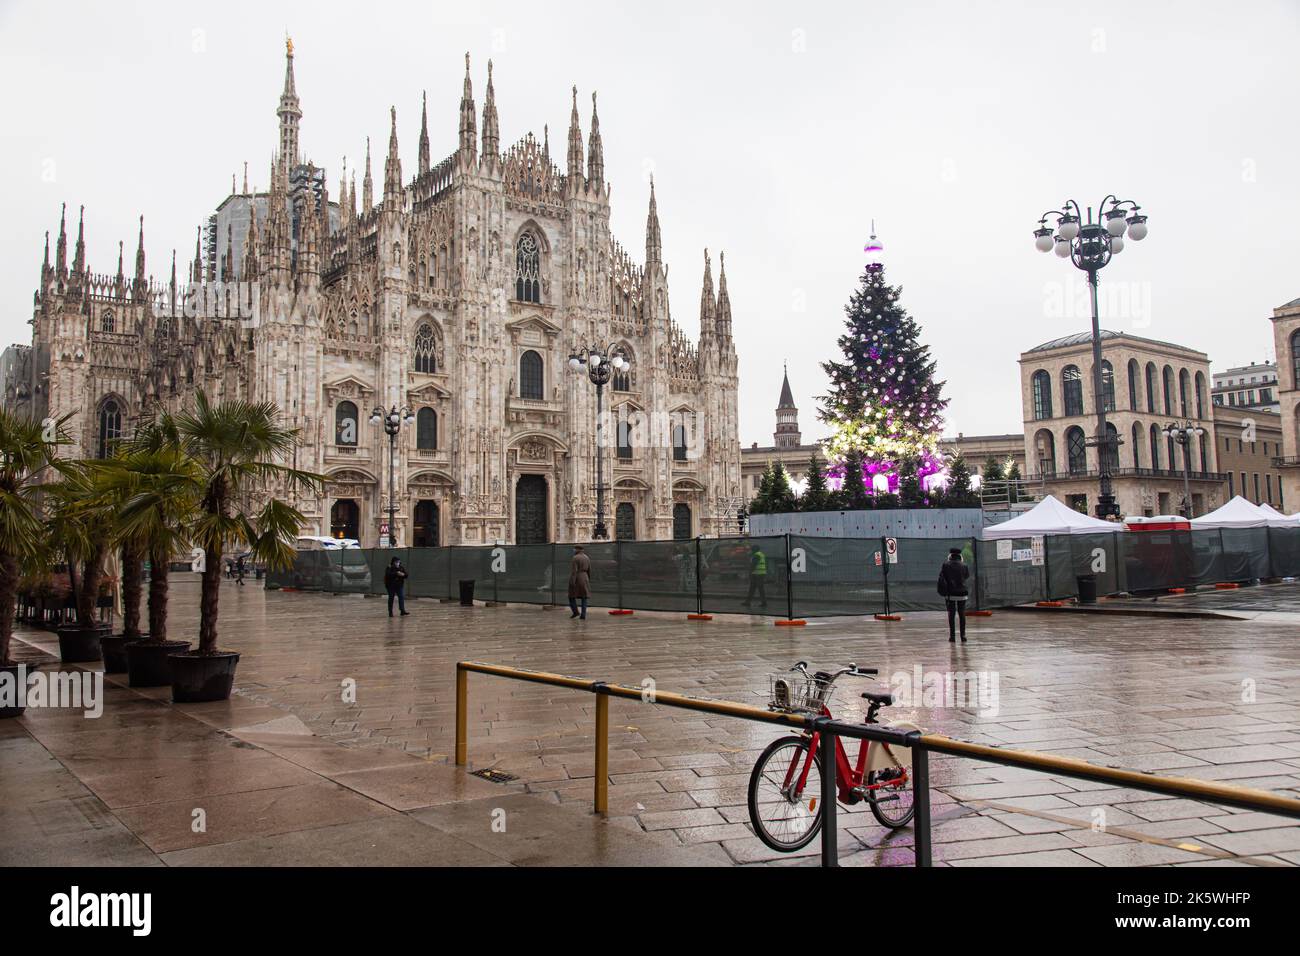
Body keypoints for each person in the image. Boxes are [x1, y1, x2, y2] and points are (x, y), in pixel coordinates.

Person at [937, 547, 970, 642]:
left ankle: (952, 637)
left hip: (950, 593)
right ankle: (963, 636)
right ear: (960, 556)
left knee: (951, 614)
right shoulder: (964, 565)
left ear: (950, 555)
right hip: (962, 593)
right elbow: (966, 576)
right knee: (962, 613)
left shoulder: (946, 565)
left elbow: (942, 577)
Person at [568, 545, 591, 619]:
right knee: (584, 597)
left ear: (578, 549)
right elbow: (589, 570)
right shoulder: (587, 557)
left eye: (575, 549)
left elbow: (574, 571)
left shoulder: (575, 558)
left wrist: (572, 581)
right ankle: (583, 614)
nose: (574, 550)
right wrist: (588, 579)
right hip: (585, 577)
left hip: (578, 578)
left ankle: (575, 612)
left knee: (571, 596)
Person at [742, 545, 768, 609]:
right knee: (758, 588)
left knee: (753, 589)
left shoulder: (756, 555)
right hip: (761, 574)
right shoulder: (761, 554)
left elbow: (753, 565)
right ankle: (750, 602)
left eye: (752, 549)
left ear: (754, 550)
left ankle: (749, 602)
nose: (751, 551)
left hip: (757, 574)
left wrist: (750, 573)